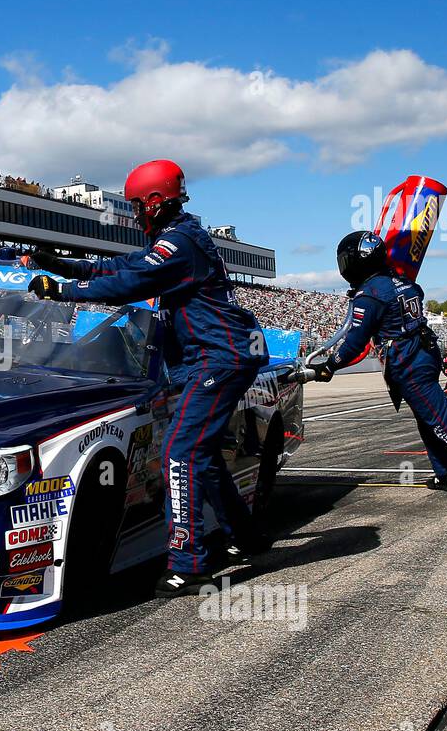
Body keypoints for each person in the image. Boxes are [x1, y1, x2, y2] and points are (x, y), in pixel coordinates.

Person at [23, 158, 270, 596]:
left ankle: (190, 563)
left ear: (155, 202)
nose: (134, 214)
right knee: (203, 455)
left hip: (218, 359)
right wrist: (60, 264)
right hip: (212, 357)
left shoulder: (179, 245)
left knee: (180, 453)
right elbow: (120, 268)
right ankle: (245, 537)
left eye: (136, 205)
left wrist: (63, 291)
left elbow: (129, 283)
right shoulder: (176, 239)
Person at [312, 231, 447, 498]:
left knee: (443, 422)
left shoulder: (369, 294)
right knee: (428, 420)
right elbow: (410, 295)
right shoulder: (403, 281)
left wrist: (330, 365)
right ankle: (445, 475)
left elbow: (354, 342)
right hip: (424, 353)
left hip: (408, 363)